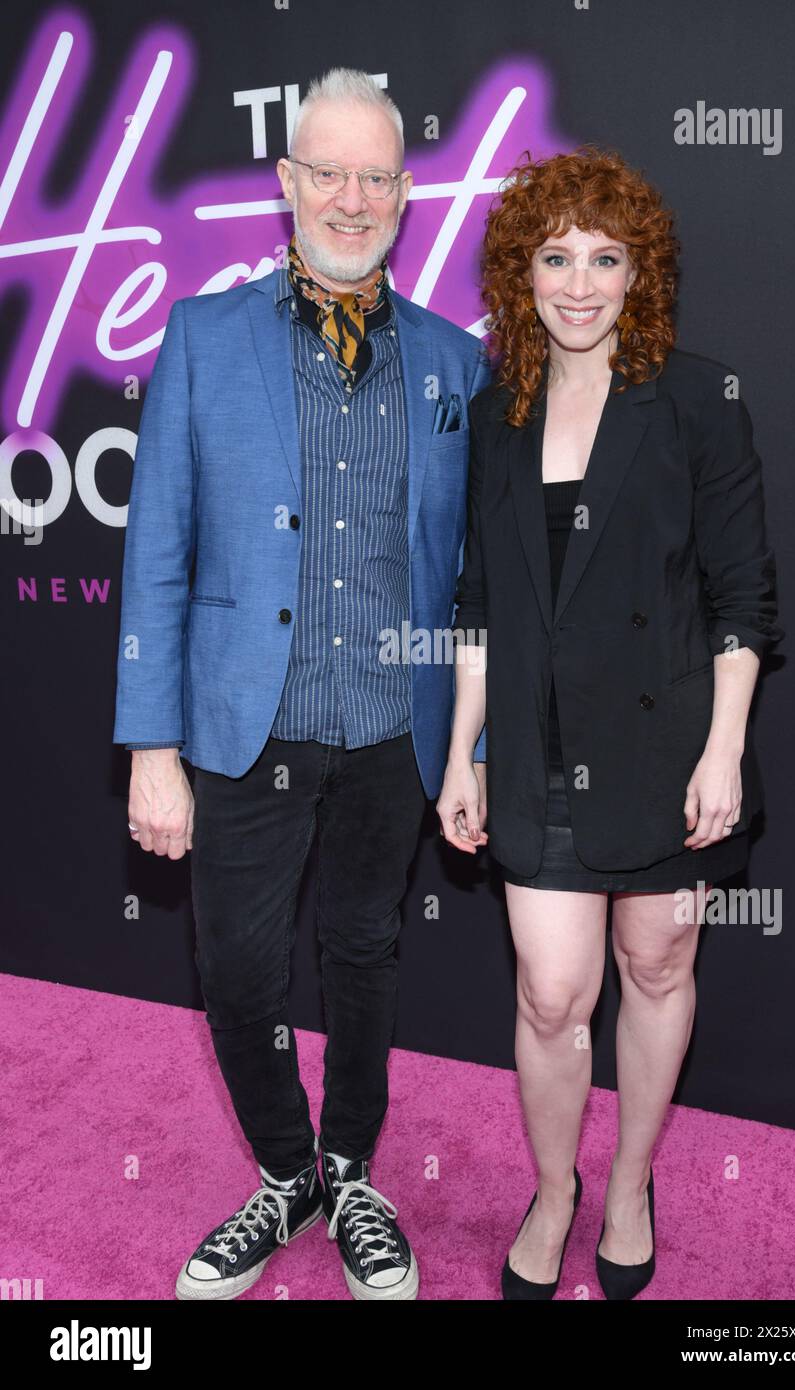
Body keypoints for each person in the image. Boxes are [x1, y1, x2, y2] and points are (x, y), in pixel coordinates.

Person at [114, 67, 489, 1301]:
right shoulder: (201, 338)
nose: (349, 196)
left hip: (393, 728)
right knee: (237, 970)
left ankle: (351, 1166)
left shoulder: (452, 365)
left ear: (404, 193)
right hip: (242, 720)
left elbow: (469, 573)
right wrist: (150, 743)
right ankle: (286, 1175)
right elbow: (158, 547)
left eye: (374, 175)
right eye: (325, 170)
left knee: (367, 954)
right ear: (283, 185)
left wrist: (472, 742)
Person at [438, 146, 783, 1300]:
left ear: (640, 271)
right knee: (549, 989)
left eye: (604, 256)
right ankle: (553, 1184)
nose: (577, 282)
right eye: (553, 256)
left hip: (668, 742)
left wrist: (723, 746)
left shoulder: (697, 398)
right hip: (533, 746)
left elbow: (743, 599)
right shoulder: (495, 413)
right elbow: (477, 600)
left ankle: (629, 1178)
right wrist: (461, 752)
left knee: (657, 957)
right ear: (517, 271)